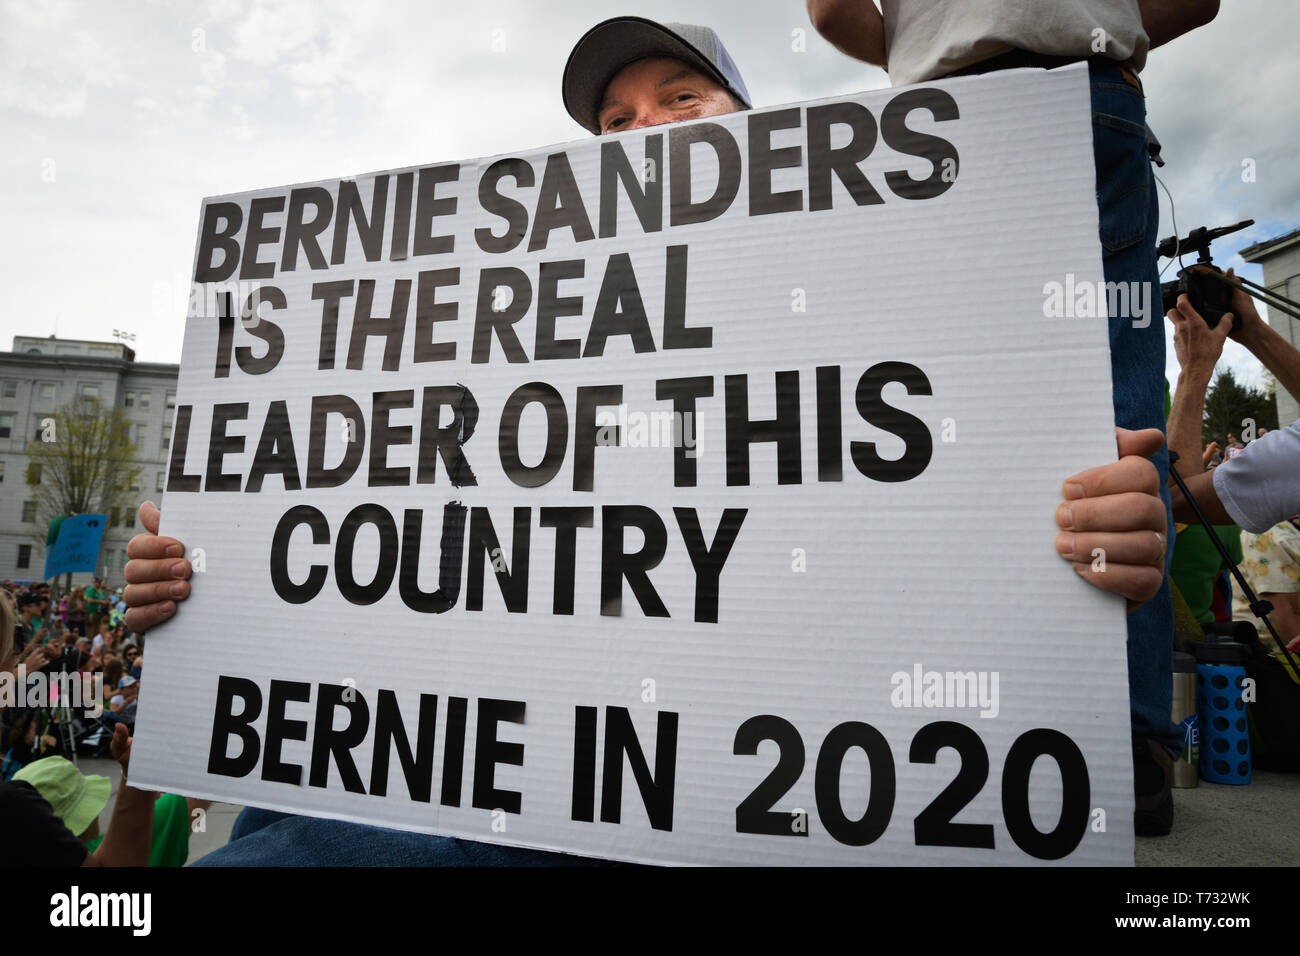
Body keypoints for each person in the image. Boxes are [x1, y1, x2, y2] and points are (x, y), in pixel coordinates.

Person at [123, 16, 1168, 863]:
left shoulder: (890, 310)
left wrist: (1088, 545)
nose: (646, 132)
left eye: (680, 99)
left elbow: (961, 544)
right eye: (613, 122)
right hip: (457, 785)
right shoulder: (498, 345)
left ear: (754, 130)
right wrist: (217, 577)